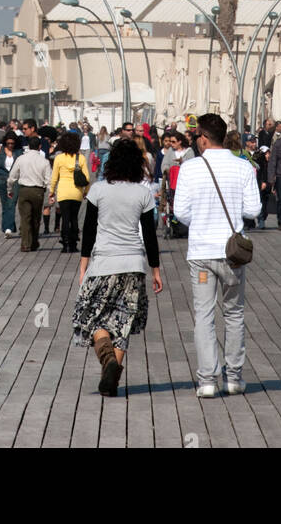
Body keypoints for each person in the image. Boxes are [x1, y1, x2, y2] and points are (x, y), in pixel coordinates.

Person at [173, 112, 261, 399]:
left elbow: (180, 212)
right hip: (232, 253)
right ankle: (233, 378)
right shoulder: (243, 167)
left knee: (204, 314)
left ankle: (207, 380)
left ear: (202, 137)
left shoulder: (190, 169)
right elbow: (253, 210)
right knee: (234, 313)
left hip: (201, 252)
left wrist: (201, 220)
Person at [72, 137, 162, 397]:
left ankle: (108, 360)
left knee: (90, 316)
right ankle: (111, 378)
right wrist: (155, 271)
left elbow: (88, 231)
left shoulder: (98, 190)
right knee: (123, 322)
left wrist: (83, 264)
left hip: (103, 262)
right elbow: (150, 235)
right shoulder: (143, 193)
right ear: (137, 165)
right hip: (134, 264)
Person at [49, 130, 91, 253]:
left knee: (65, 218)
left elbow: (54, 177)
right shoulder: (81, 158)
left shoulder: (59, 158)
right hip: (76, 191)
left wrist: (52, 191)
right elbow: (87, 178)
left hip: (63, 191)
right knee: (74, 218)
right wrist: (86, 192)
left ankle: (65, 243)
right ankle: (74, 243)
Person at [7, 136, 51, 250]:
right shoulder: (44, 161)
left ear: (28, 146)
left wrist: (9, 190)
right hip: (38, 191)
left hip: (24, 190)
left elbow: (12, 176)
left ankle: (25, 243)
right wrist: (51, 194)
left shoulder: (21, 159)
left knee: (25, 218)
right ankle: (34, 242)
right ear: (40, 147)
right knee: (36, 218)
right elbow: (49, 180)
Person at [0, 133, 19, 237]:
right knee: (5, 205)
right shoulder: (0, 151)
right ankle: (7, 227)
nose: (11, 145)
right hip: (2, 180)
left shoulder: (18, 152)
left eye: (12, 143)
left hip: (15, 181)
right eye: (8, 143)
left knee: (11, 204)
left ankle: (8, 228)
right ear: (5, 142)